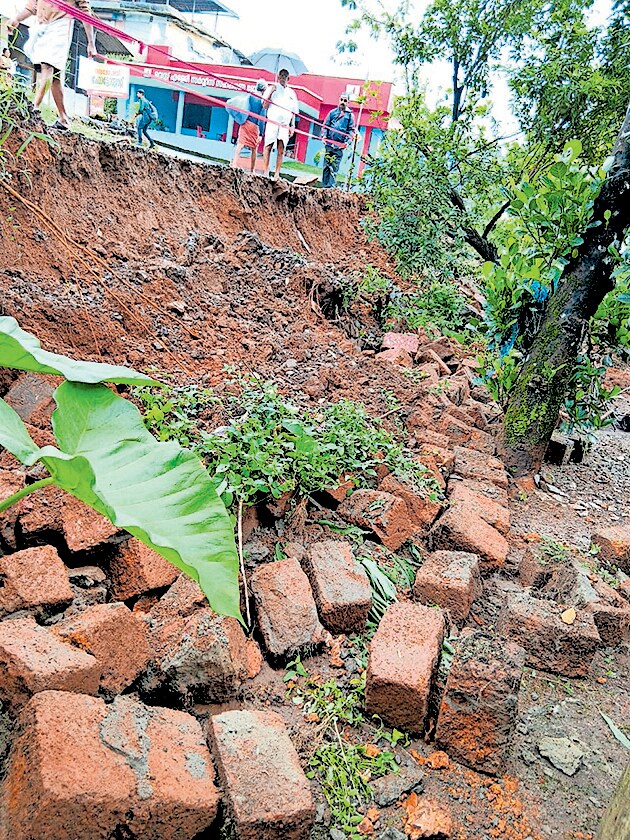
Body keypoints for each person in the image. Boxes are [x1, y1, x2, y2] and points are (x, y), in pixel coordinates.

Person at [8, 0, 95, 130]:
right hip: (42, 26)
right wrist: (16, 19)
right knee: (55, 76)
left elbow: (85, 11)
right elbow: (32, 7)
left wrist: (91, 43)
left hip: (61, 26)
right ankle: (63, 118)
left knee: (47, 67)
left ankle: (33, 108)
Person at [262, 68, 298, 180]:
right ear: (278, 77)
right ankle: (266, 171)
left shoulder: (291, 93)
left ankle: (277, 173)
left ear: (288, 79)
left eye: (285, 76)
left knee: (281, 148)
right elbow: (264, 105)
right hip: (272, 121)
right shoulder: (272, 88)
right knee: (268, 145)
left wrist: (292, 126)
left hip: (284, 124)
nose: (283, 78)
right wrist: (271, 92)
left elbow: (294, 111)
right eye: (281, 76)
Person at [231, 79, 266, 174]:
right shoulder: (262, 101)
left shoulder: (250, 96)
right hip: (254, 126)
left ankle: (234, 164)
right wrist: (261, 134)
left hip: (245, 123)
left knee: (240, 144)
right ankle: (252, 170)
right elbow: (262, 118)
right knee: (254, 148)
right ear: (263, 90)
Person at [322, 92, 355, 188]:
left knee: (334, 167)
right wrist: (324, 136)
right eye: (341, 100)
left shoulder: (350, 116)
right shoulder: (332, 113)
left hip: (339, 147)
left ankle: (330, 188)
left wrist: (347, 142)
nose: (343, 102)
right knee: (326, 167)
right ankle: (324, 187)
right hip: (329, 145)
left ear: (348, 102)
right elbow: (325, 126)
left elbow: (351, 131)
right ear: (339, 100)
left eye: (345, 100)